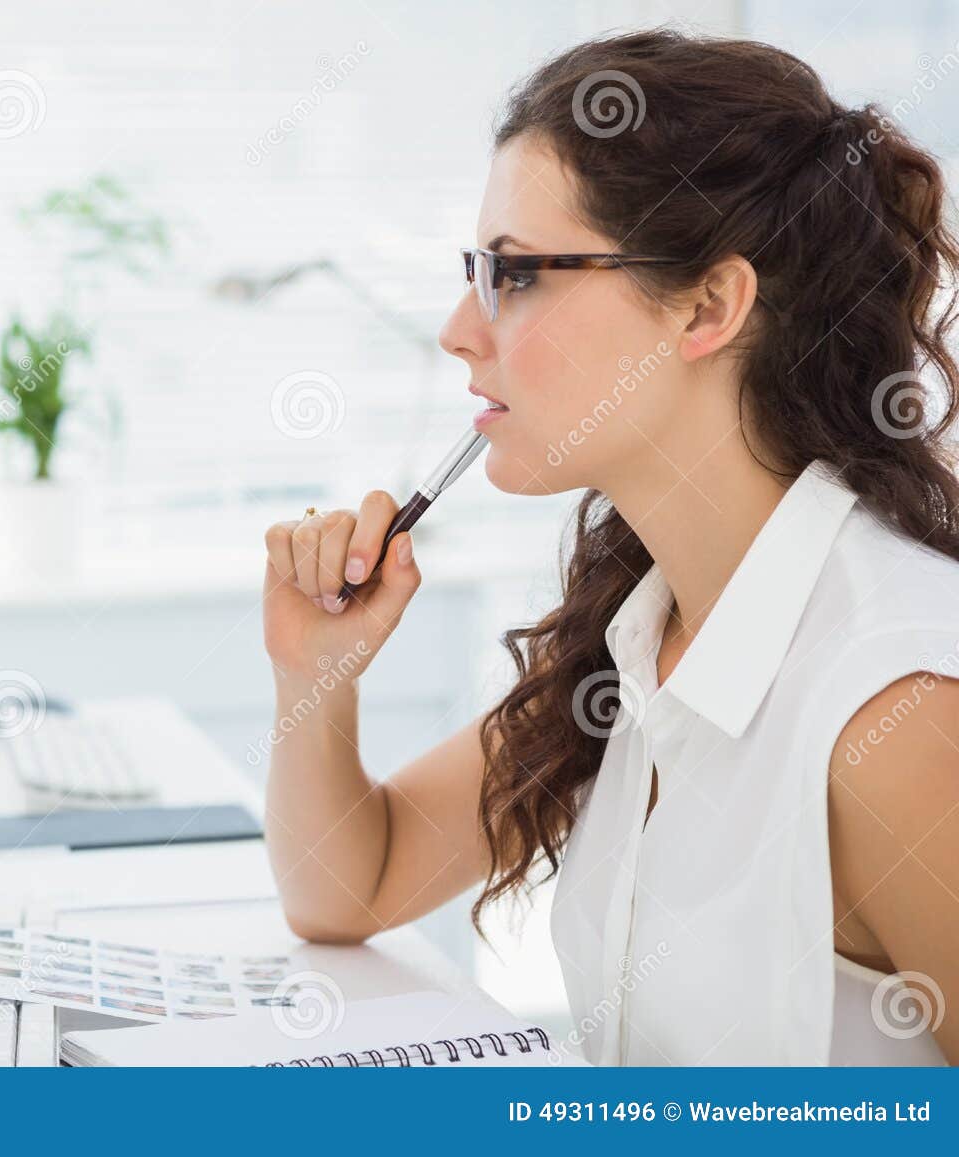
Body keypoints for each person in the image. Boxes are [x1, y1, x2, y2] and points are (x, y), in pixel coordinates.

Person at [261, 29, 959, 1066]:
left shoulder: (893, 709)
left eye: (516, 273)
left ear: (708, 306)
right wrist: (313, 678)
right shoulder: (639, 629)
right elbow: (347, 883)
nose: (459, 327)